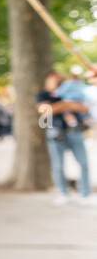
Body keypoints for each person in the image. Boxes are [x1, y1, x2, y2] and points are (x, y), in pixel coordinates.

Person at [37, 70, 92, 205]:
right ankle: (63, 193)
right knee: (58, 165)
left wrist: (58, 106)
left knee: (83, 163)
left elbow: (84, 108)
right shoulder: (43, 94)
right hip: (55, 131)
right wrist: (66, 105)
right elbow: (44, 110)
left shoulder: (72, 91)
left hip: (74, 131)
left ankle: (85, 194)